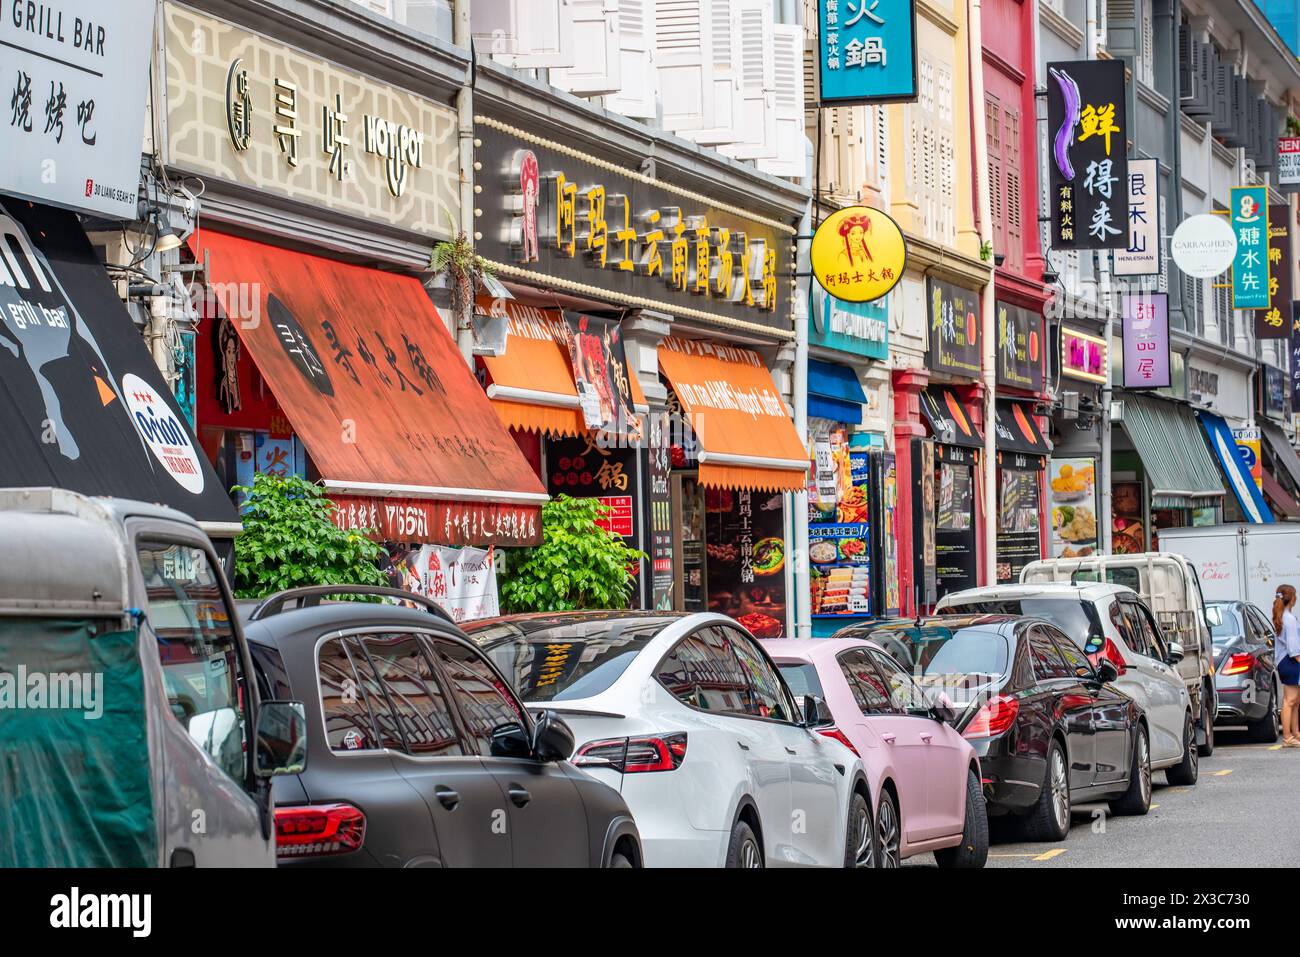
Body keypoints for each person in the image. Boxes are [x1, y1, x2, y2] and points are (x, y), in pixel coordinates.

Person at [1273, 585, 1300, 747]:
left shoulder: (1285, 616)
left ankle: (1295, 733)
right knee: (1290, 701)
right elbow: (1292, 647)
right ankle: (1287, 737)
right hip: (1290, 660)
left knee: (1295, 701)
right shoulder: (1288, 618)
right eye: (1295, 594)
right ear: (1291, 598)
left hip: (1287, 661)